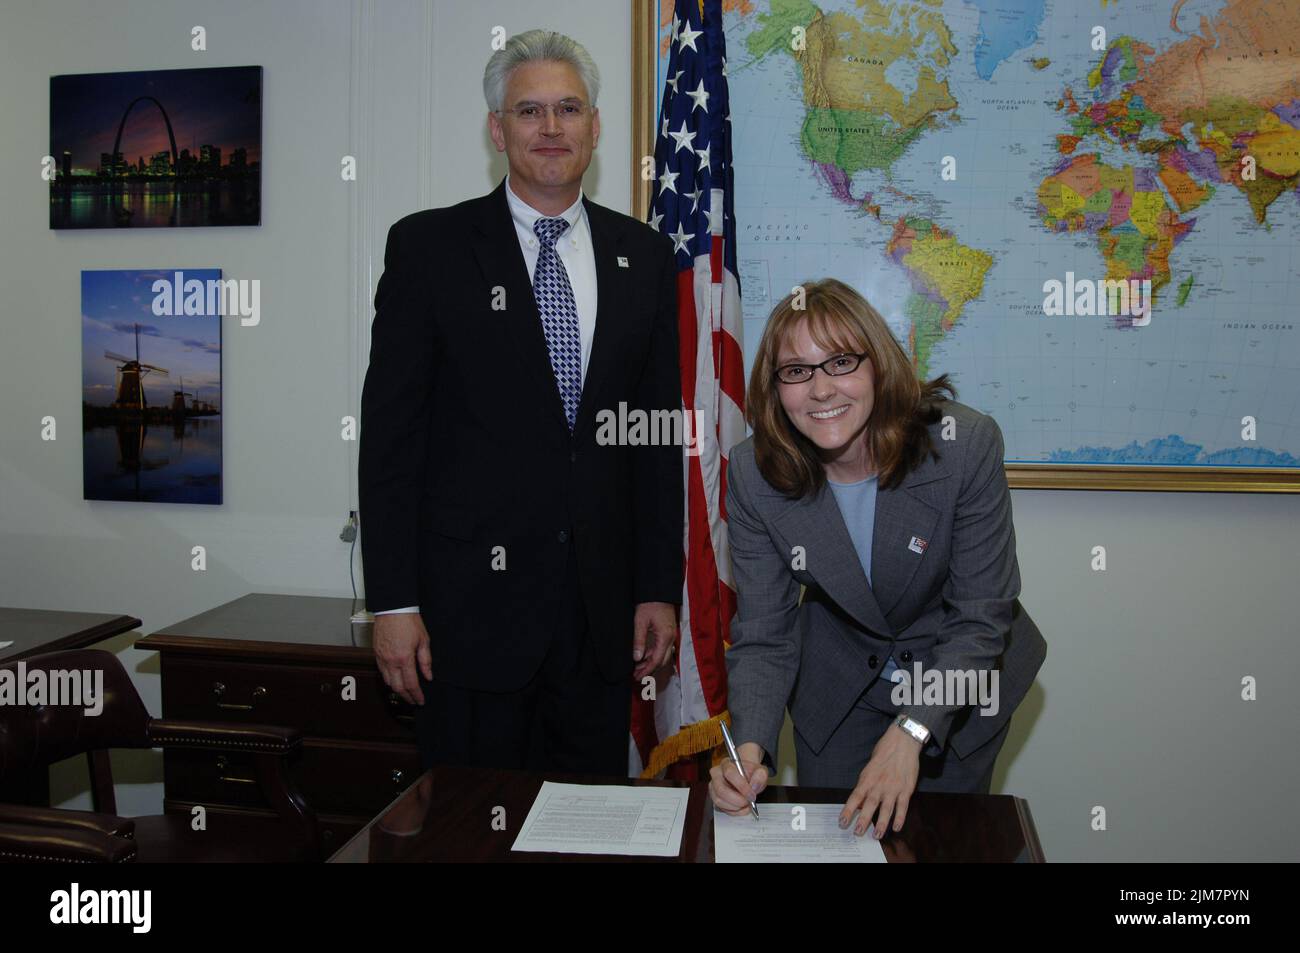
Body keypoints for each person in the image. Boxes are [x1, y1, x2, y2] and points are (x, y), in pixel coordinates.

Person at [359, 29, 683, 777]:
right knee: (472, 837)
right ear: (497, 129)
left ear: (596, 128)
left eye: (568, 108)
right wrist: (393, 603)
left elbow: (655, 439)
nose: (550, 127)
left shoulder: (645, 257)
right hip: (468, 623)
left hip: (601, 627)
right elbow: (390, 442)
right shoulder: (429, 249)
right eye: (528, 110)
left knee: (589, 835)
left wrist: (657, 587)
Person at [709, 278, 1045, 837]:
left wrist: (913, 730)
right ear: (775, 390)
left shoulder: (963, 446)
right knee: (837, 845)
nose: (820, 391)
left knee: (942, 846)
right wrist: (749, 749)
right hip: (838, 685)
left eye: (840, 362)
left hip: (960, 677)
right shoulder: (753, 473)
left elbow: (980, 618)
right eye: (796, 371)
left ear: (878, 366)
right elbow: (766, 630)